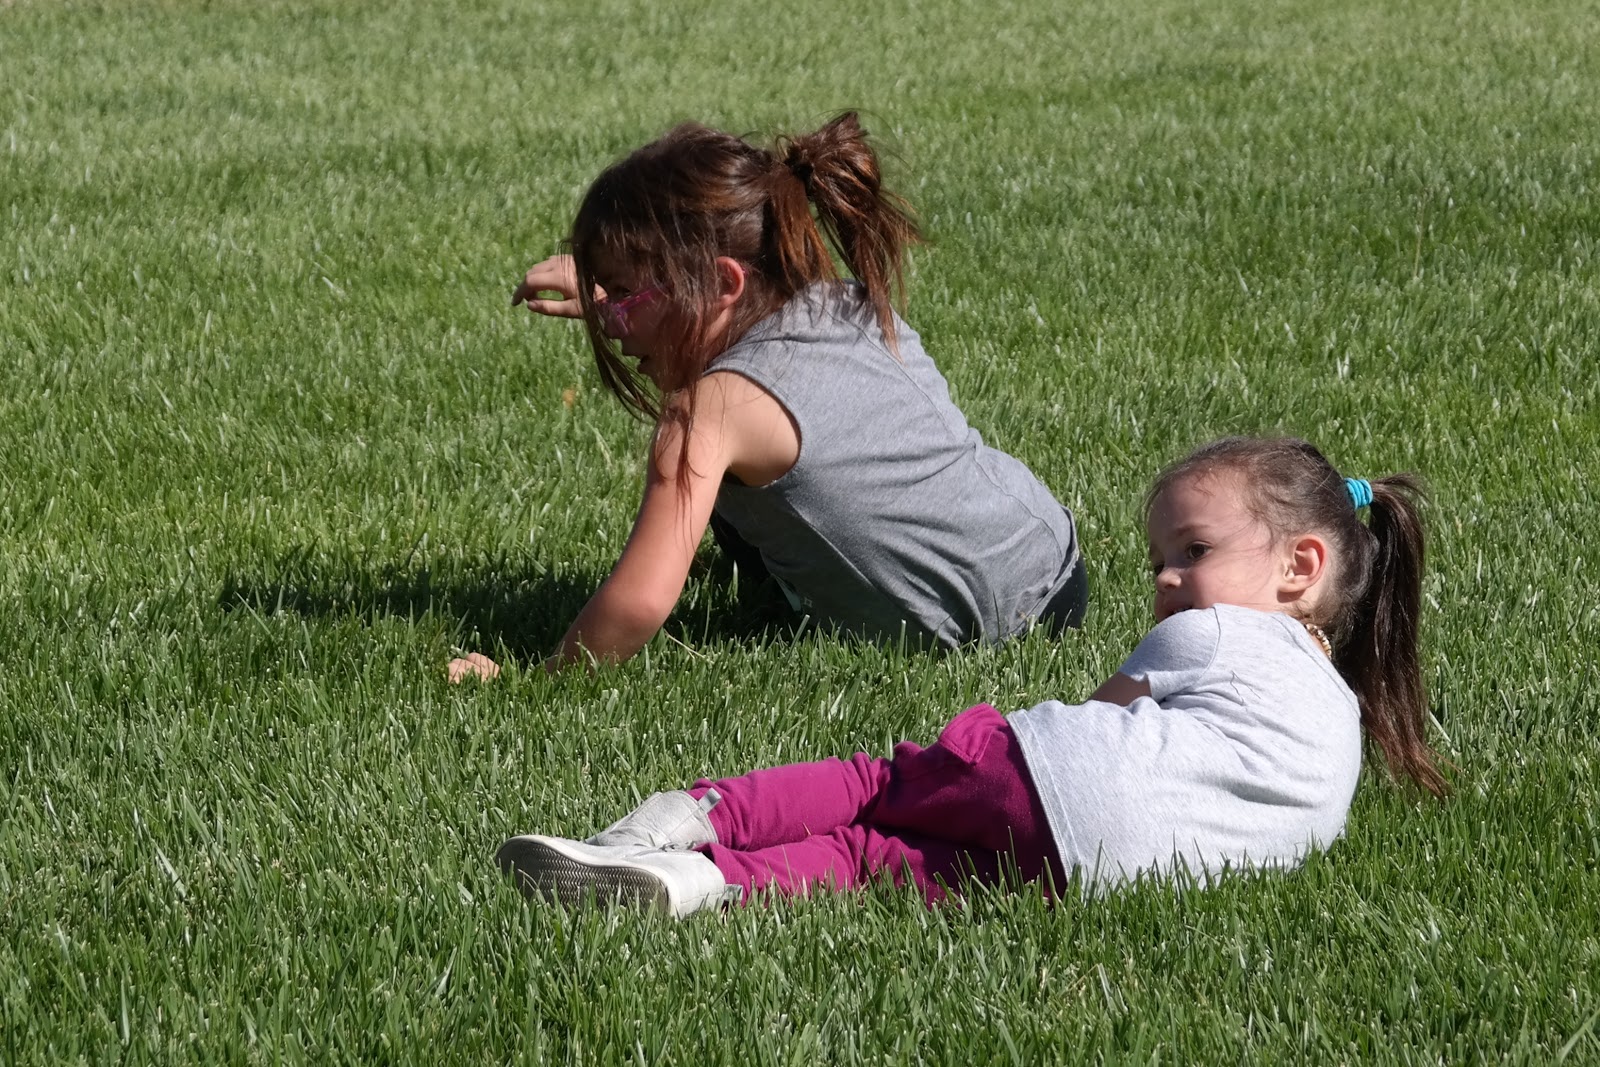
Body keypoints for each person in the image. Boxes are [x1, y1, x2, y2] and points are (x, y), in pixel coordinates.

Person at [494, 436, 1449, 915]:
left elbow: (1098, 716)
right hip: (1097, 878)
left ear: (1300, 566)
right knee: (878, 863)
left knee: (879, 787)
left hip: (1058, 785)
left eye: (1190, 550)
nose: (1165, 578)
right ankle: (702, 886)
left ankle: (691, 815)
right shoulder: (1341, 725)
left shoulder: (1218, 635)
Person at [447, 111, 1085, 681]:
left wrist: (536, 681)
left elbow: (640, 603)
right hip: (1053, 566)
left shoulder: (706, 415)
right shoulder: (840, 300)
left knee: (707, 474)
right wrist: (616, 295)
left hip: (959, 640)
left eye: (624, 294)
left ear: (722, 283)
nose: (611, 325)